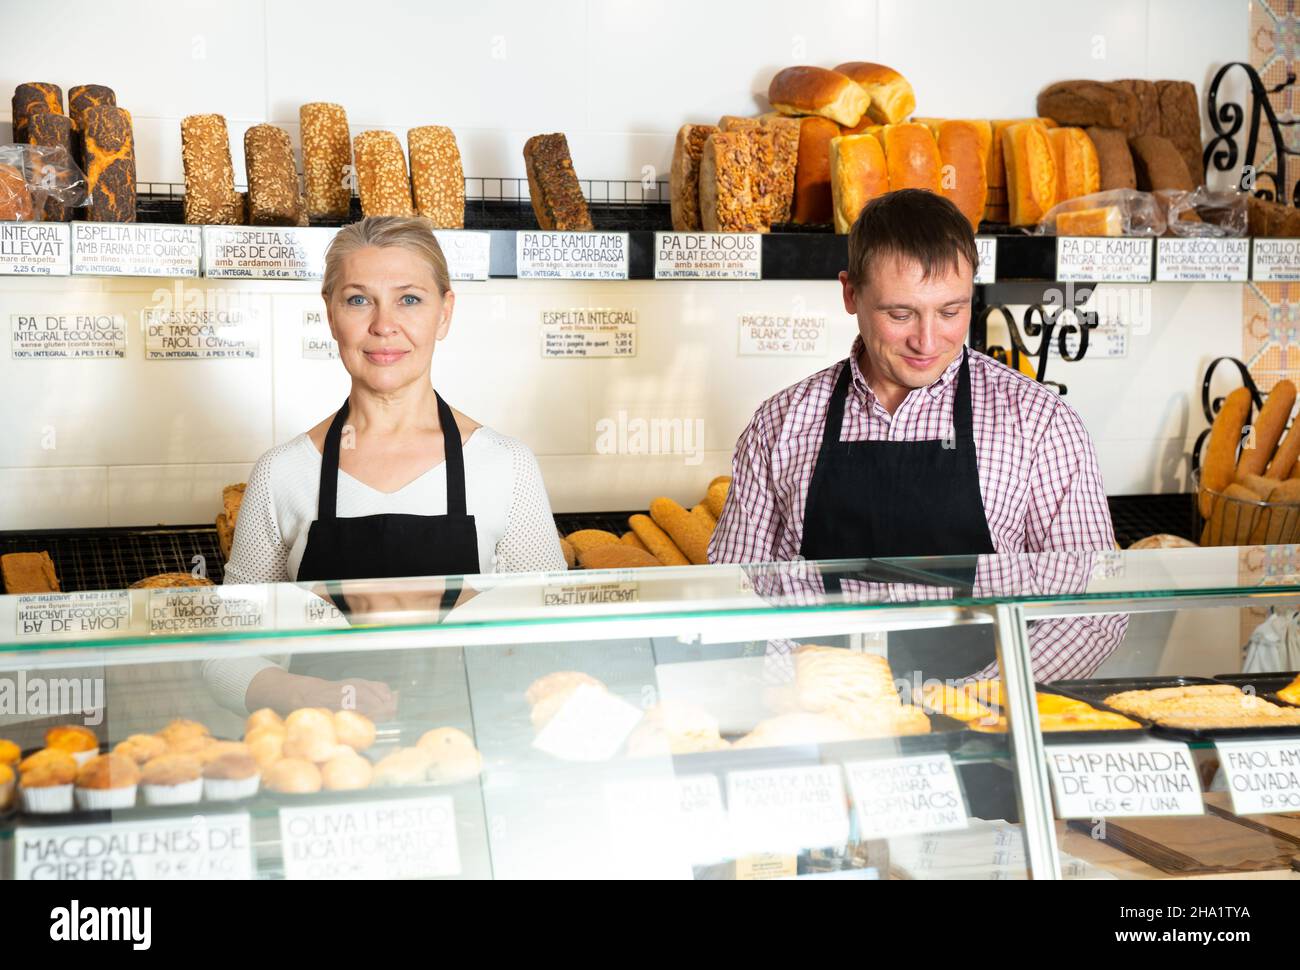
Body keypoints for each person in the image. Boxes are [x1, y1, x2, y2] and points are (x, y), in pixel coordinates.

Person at [709, 189, 1126, 683]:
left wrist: (976, 700)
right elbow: (730, 591)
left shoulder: (1041, 425)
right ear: (850, 294)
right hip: (819, 722)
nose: (927, 341)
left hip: (986, 728)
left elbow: (1092, 607)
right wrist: (813, 686)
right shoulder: (780, 423)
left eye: (951, 311)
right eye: (900, 314)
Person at [207, 216, 565, 716]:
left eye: (409, 299)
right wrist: (312, 696)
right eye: (358, 300)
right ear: (330, 315)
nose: (383, 325)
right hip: (323, 761)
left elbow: (555, 635)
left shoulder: (505, 465)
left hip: (469, 753)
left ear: (445, 313)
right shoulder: (283, 472)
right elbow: (226, 653)